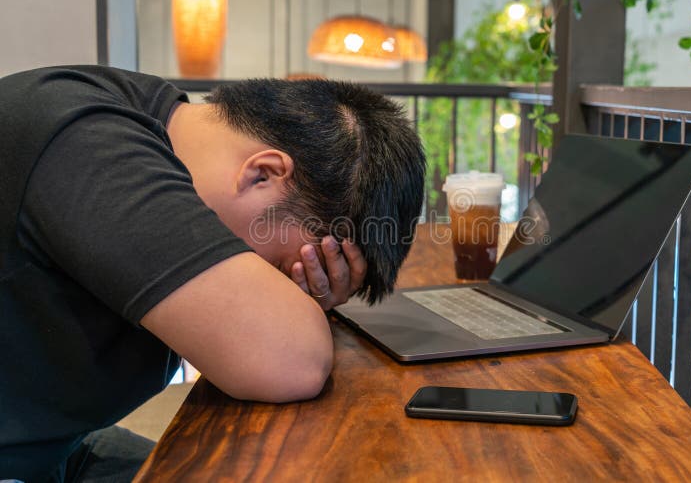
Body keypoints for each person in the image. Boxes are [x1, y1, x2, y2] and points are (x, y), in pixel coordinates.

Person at [0, 65, 426, 482]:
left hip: (57, 448)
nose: (279, 289)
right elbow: (290, 362)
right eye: (281, 270)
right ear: (263, 173)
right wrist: (292, 323)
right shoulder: (87, 140)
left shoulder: (161, 128)